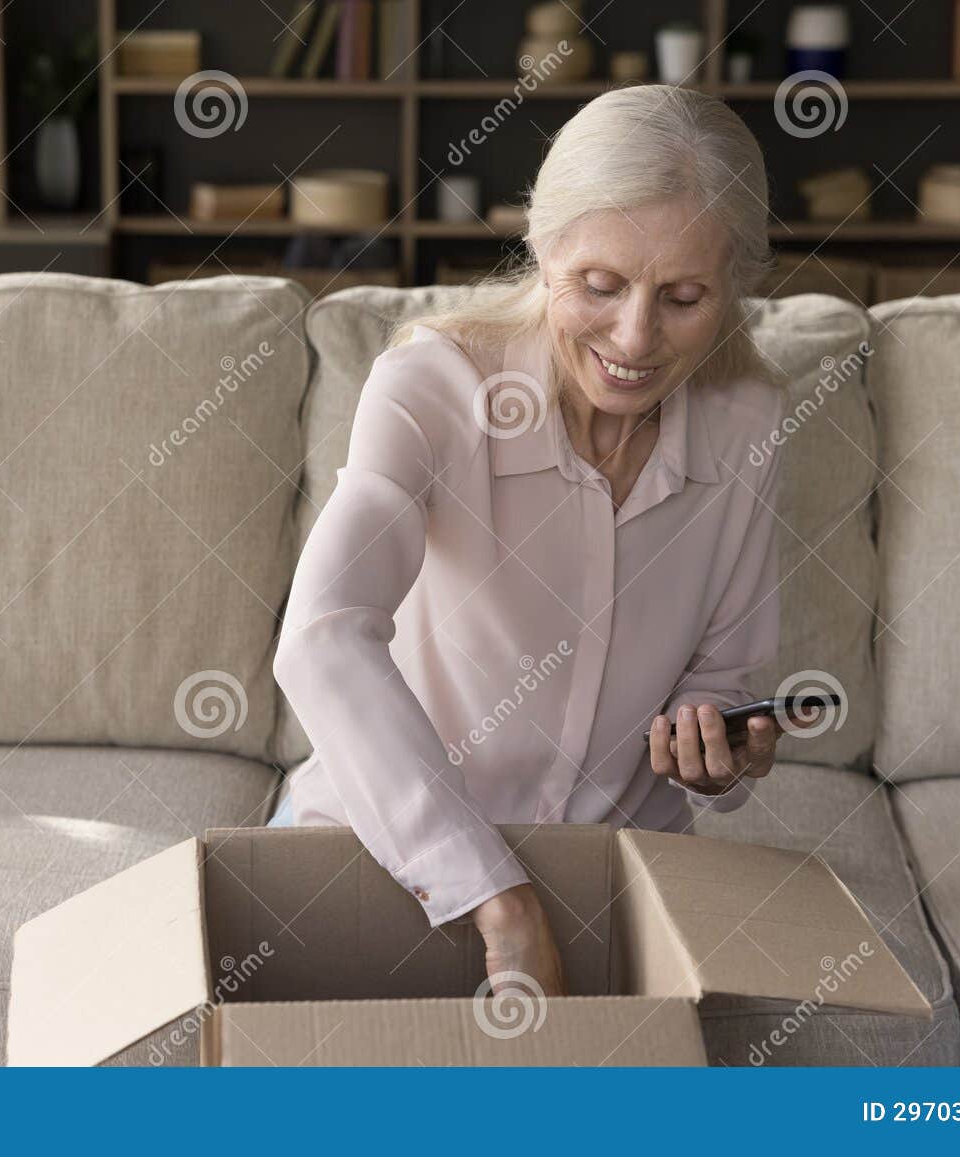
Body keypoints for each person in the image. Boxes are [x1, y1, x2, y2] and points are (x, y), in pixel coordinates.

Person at [270, 85, 791, 998]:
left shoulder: (749, 422)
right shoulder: (432, 384)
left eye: (683, 297)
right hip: (393, 847)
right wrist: (497, 898)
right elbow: (324, 633)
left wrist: (719, 749)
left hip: (613, 872)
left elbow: (724, 678)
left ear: (733, 287)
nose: (634, 338)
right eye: (599, 285)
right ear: (543, 248)